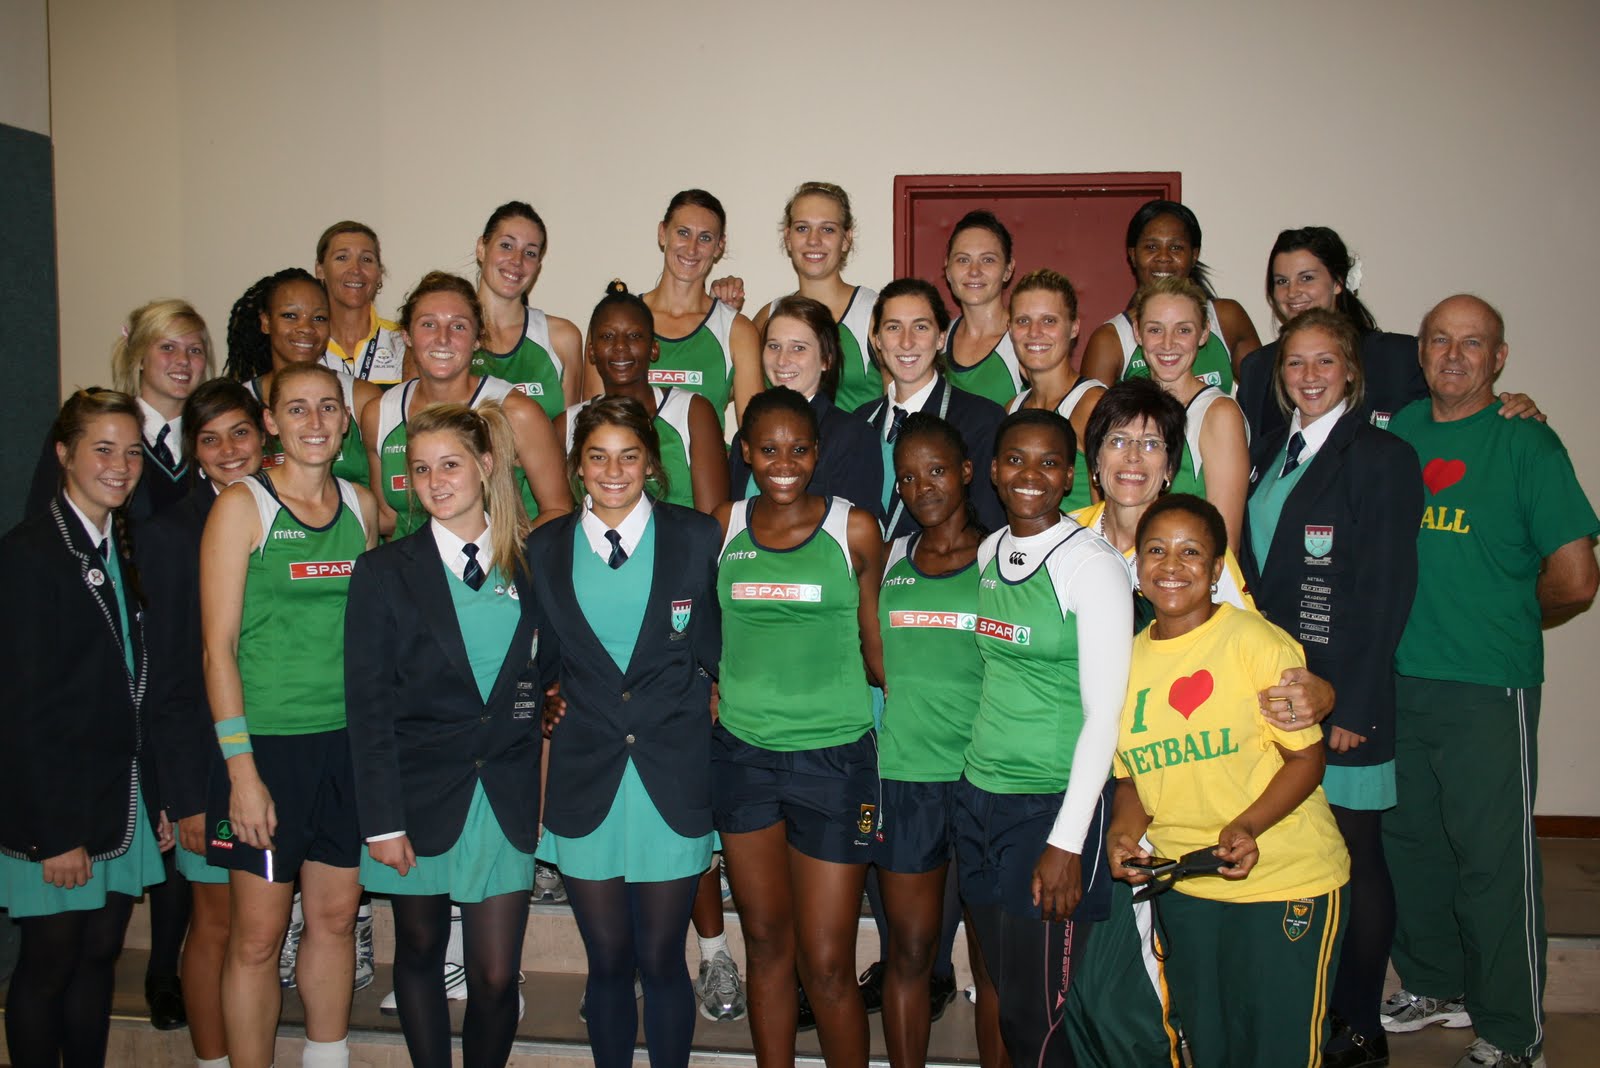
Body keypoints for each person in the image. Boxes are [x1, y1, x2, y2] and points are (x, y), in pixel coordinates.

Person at [1062, 378, 1333, 1068]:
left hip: (1208, 830)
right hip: (1088, 784)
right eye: (1118, 440)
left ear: (1171, 466)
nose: (1133, 457)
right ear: (1093, 461)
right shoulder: (1064, 542)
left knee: (1190, 1009)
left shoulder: (1206, 567)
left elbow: (1264, 666)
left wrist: (1319, 693)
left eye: (1152, 443)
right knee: (1111, 995)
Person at [1379, 295, 1598, 1068]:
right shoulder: (1400, 432)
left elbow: (1576, 578)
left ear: (1498, 358)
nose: (1453, 355)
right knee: (1411, 845)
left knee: (1492, 861)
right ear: (1421, 352)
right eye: (1440, 340)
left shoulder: (1526, 442)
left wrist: (1504, 609)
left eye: (1472, 343)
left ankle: (1512, 1031)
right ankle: (1436, 984)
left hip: (1486, 686)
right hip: (1400, 680)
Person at [1237, 308, 1424, 1067]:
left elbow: (1387, 589)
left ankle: (1361, 1021)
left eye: (1324, 362)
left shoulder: (1382, 457)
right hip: (1277, 691)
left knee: (1355, 857)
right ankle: (1310, 1004)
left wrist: (1355, 701)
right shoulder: (1268, 451)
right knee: (1304, 851)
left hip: (1340, 699)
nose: (1308, 376)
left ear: (1350, 369)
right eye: (1294, 363)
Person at [1107, 493, 1351, 1068]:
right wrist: (1122, 834)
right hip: (1188, 887)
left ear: (1217, 568)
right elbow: (1134, 779)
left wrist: (1247, 825)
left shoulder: (1255, 643)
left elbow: (1306, 761)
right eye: (1156, 551)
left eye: (1191, 552)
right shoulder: (1124, 661)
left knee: (1278, 1052)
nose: (1172, 565)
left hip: (1284, 881)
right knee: (1210, 1048)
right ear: (1137, 566)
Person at [345, 401, 541, 1068]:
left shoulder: (531, 563)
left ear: (485, 466)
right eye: (420, 469)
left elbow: (550, 670)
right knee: (421, 952)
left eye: (449, 464)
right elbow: (368, 708)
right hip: (417, 795)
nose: (434, 481)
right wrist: (381, 821)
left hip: (504, 794)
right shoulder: (383, 571)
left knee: (496, 975)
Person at [531, 396, 724, 1068]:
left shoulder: (697, 536)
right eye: (598, 457)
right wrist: (540, 703)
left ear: (651, 464)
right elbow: (536, 662)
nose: (613, 471)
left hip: (673, 776)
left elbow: (719, 651)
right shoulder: (544, 547)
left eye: (628, 456)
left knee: (663, 958)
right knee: (609, 961)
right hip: (587, 776)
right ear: (577, 466)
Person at [200, 362, 379, 1068]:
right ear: (272, 422)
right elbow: (216, 651)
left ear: (345, 421)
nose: (314, 422)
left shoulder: (362, 506)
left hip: (348, 748)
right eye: (297, 409)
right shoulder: (242, 506)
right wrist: (241, 773)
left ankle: (327, 1057)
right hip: (268, 751)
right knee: (257, 938)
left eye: (328, 407)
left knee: (333, 921)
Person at [953, 408, 1131, 1067]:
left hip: (1050, 808)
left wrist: (1066, 841)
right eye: (1016, 460)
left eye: (1049, 462)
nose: (1031, 474)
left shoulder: (1092, 566)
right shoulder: (989, 552)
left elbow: (1104, 715)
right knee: (1005, 996)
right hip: (979, 799)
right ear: (994, 471)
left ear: (1070, 477)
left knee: (1039, 1022)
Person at [713, 387, 885, 1066]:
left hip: (836, 764)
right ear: (746, 452)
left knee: (829, 964)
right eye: (768, 449)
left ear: (818, 451)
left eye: (799, 449)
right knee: (765, 947)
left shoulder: (854, 528)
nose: (784, 464)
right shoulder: (723, 527)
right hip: (743, 760)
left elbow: (879, 653)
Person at [0, 390, 169, 1068]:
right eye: (103, 449)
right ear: (64, 454)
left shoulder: (117, 546)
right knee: (50, 961)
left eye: (131, 452)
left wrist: (154, 797)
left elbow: (134, 690)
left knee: (99, 955)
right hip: (58, 810)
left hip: (117, 798)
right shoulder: (30, 553)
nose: (120, 466)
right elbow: (22, 710)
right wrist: (54, 832)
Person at [141, 379, 268, 1067]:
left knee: (258, 929)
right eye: (210, 438)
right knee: (216, 924)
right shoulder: (170, 533)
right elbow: (169, 675)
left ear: (263, 432)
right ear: (193, 448)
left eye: (239, 432)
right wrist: (185, 794)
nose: (228, 450)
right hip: (209, 762)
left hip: (278, 751)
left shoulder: (288, 509)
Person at [872, 413, 1002, 1068]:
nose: (922, 487)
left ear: (967, 472)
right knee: (909, 954)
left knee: (992, 960)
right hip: (907, 779)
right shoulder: (890, 559)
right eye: (908, 477)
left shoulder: (1002, 560)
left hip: (989, 782)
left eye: (937, 471)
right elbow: (876, 663)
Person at [1236, 227, 1543, 442]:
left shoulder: (1401, 357)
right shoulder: (1258, 369)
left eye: (1306, 278)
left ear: (1338, 282)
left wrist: (1510, 407)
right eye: (1281, 281)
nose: (1292, 292)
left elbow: (1462, 406)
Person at [361, 271, 572, 538]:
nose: (443, 338)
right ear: (407, 335)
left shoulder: (517, 412)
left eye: (458, 326)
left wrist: (498, 555)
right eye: (428, 324)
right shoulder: (379, 413)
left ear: (477, 339)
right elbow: (389, 519)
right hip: (413, 561)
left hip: (500, 561)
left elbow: (558, 510)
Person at [27, 299, 215, 523]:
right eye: (167, 347)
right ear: (140, 357)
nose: (183, 360)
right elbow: (42, 519)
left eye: (195, 350)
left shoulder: (215, 443)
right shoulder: (91, 424)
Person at [557, 281, 728, 512]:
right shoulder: (566, 426)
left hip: (681, 537)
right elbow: (559, 518)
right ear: (591, 351)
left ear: (654, 348)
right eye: (607, 336)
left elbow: (713, 522)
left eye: (634, 335)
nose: (620, 346)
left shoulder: (693, 412)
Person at [859, 278, 1006, 538]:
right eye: (893, 327)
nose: (906, 342)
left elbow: (989, 528)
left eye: (920, 327)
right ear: (877, 340)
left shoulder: (982, 420)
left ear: (941, 338)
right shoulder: (859, 422)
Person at [731, 181, 884, 413]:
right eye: (802, 228)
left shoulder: (872, 313)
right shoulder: (769, 316)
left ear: (846, 239)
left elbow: (899, 405)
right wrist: (722, 316)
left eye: (827, 229)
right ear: (788, 237)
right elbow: (725, 387)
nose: (813, 240)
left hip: (859, 438)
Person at [1081, 199, 1260, 392]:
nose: (1163, 257)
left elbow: (1264, 397)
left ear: (1194, 255)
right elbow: (1092, 411)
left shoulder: (1227, 319)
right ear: (1132, 254)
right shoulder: (1110, 340)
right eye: (1151, 247)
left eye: (1176, 247)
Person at [727, 295, 883, 516]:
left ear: (826, 360)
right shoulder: (747, 434)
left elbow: (854, 528)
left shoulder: (854, 437)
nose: (782, 360)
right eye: (774, 346)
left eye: (798, 348)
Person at [225, 267, 378, 487]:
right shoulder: (239, 403)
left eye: (319, 318)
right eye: (290, 316)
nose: (306, 328)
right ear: (266, 322)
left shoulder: (362, 397)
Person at [1132, 276, 1250, 552]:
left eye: (1183, 330)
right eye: (1155, 329)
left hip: (1188, 574)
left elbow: (1226, 544)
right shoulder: (1128, 407)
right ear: (1137, 332)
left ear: (1204, 333)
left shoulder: (1218, 414)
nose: (1168, 344)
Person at [630, 189, 761, 428]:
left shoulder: (738, 332)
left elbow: (754, 436)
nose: (692, 249)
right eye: (683, 233)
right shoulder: (621, 319)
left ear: (719, 246)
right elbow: (591, 423)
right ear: (662, 233)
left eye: (705, 238)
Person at [471, 201, 585, 419]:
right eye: (506, 246)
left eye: (530, 253)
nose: (517, 260)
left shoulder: (562, 338)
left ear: (538, 266)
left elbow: (569, 433)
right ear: (481, 249)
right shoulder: (447, 333)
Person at [1006, 268, 1106, 515]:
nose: (1034, 332)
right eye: (1023, 321)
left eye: (1049, 321)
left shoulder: (1092, 405)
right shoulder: (1012, 409)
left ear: (1074, 328)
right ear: (1009, 329)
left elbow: (1108, 515)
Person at [942, 211, 1026, 406]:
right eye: (963, 259)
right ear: (947, 269)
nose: (974, 271)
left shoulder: (1026, 340)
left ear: (1008, 269)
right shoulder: (936, 341)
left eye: (988, 259)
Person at [314, 221, 407, 385]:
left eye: (366, 259)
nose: (355, 269)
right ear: (320, 269)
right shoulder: (305, 342)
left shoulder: (402, 342)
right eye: (342, 258)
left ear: (379, 273)